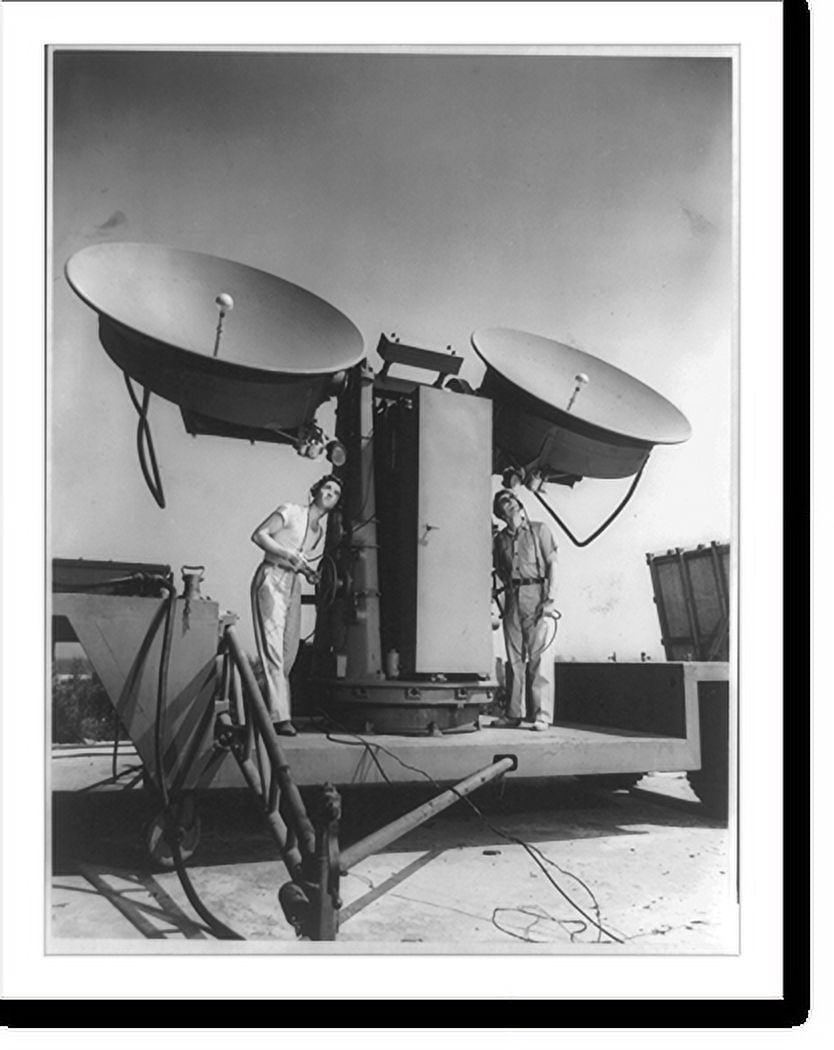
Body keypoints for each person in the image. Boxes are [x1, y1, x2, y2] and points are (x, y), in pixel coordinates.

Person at [250, 474, 343, 736]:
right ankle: (280, 719)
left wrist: (308, 572)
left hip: (292, 584)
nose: (330, 494)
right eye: (327, 487)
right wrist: (288, 554)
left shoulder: (318, 532)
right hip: (271, 577)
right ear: (315, 491)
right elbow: (259, 535)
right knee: (273, 649)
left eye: (335, 493)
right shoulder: (290, 511)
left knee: (289, 651)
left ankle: (259, 706)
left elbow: (298, 561)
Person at [490, 489, 559, 731]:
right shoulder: (499, 541)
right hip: (511, 599)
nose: (509, 503)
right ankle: (513, 714)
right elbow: (499, 571)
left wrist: (549, 600)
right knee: (514, 659)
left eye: (511, 499)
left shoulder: (540, 530)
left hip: (536, 596)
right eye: (503, 502)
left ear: (519, 503)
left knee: (538, 657)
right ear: (499, 513)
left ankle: (542, 715)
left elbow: (553, 564)